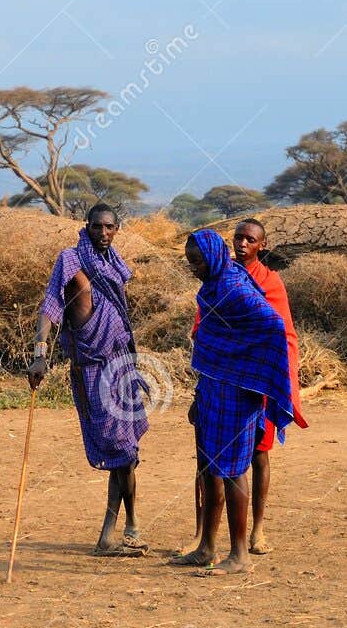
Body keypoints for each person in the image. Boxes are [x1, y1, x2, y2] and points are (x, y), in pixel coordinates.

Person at [27, 203, 148, 556]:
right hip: (92, 370)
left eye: (110, 227)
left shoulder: (114, 265)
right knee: (121, 450)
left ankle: (128, 526)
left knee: (128, 453)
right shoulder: (70, 260)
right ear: (87, 226)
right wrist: (39, 355)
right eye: (97, 227)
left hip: (120, 364)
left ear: (117, 229)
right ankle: (112, 534)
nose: (103, 233)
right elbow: (50, 307)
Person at [171, 228, 294, 575]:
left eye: (197, 262)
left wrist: (251, 372)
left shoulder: (232, 287)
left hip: (236, 394)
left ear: (211, 257)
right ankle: (206, 548)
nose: (193, 268)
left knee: (234, 470)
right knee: (210, 469)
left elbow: (273, 325)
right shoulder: (214, 285)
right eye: (190, 262)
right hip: (212, 389)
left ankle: (239, 554)